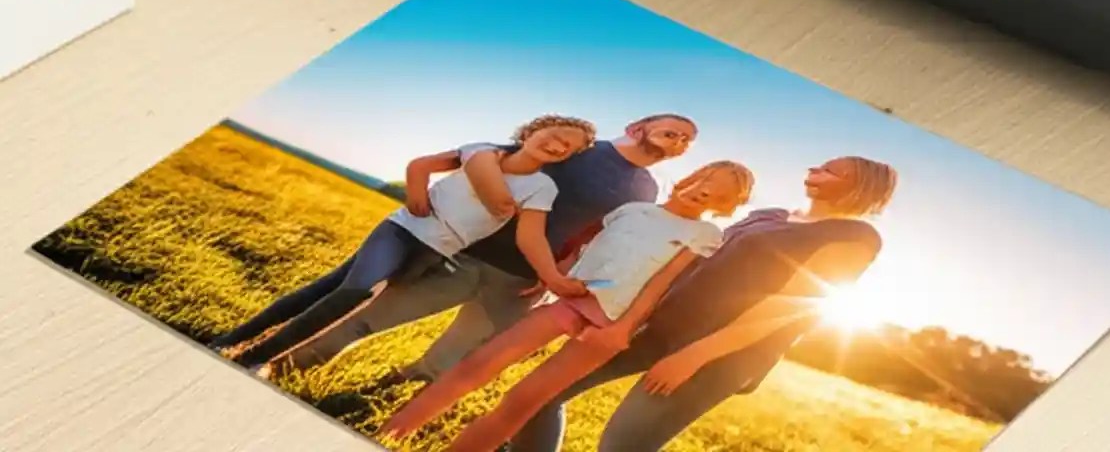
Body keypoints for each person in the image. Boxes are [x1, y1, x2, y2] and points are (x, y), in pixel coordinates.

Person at [260, 114, 699, 380]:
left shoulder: (646, 189)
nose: (678, 141)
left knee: (447, 361)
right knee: (366, 320)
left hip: (520, 283)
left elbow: (595, 235)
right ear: (637, 128)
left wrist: (557, 274)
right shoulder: (578, 148)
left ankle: (374, 405)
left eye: (686, 140)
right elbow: (491, 155)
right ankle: (276, 367)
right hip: (466, 254)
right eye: (672, 131)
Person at [509, 155, 898, 452]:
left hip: (719, 356)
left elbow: (789, 306)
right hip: (657, 328)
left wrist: (694, 356)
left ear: (861, 188)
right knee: (539, 397)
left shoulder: (855, 237)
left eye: (831, 171)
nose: (815, 168)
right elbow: (690, 264)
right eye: (820, 165)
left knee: (622, 445)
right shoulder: (770, 215)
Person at [377, 161, 757, 450]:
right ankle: (392, 432)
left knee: (524, 400)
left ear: (725, 207)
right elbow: (589, 245)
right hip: (573, 300)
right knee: (480, 364)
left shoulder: (705, 233)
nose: (704, 192)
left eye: (718, 195)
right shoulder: (633, 210)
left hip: (611, 321)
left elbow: (664, 283)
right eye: (705, 180)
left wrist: (622, 330)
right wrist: (553, 276)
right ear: (692, 176)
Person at [210, 115, 596, 369]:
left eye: (569, 148)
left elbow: (530, 235)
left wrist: (551, 276)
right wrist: (416, 193)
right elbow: (421, 165)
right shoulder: (481, 150)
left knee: (328, 287)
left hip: (434, 252)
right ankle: (250, 354)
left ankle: (235, 342)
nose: (559, 146)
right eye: (555, 135)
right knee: (358, 291)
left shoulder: (540, 188)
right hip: (402, 231)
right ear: (530, 131)